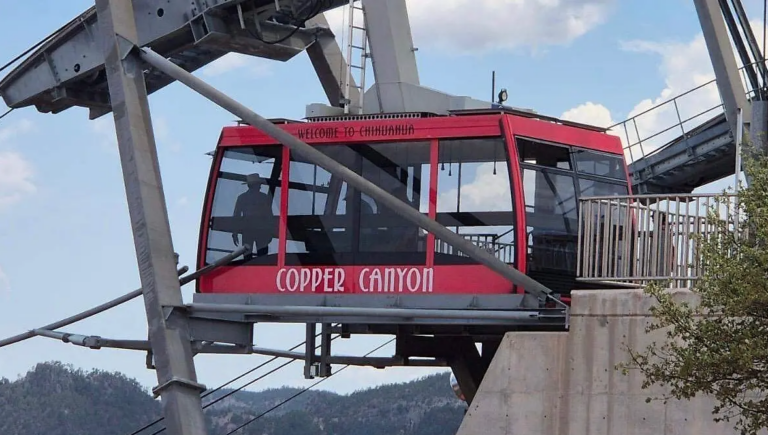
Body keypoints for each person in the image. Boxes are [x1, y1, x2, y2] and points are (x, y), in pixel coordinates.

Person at [232, 173, 275, 258]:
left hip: (252, 231)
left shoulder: (242, 197)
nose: (260, 186)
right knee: (261, 258)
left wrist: (235, 232)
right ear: (255, 185)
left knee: (250, 258)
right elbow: (269, 216)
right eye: (258, 184)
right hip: (258, 231)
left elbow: (236, 216)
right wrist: (270, 231)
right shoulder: (263, 197)